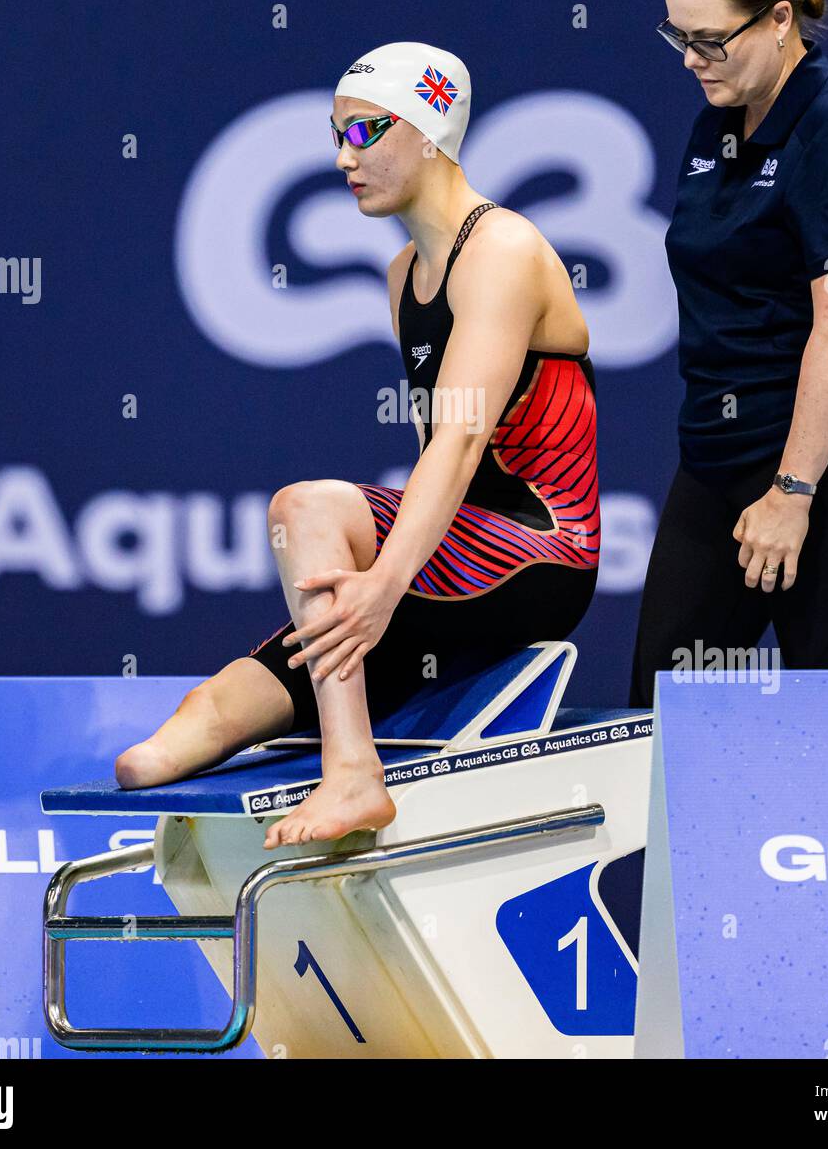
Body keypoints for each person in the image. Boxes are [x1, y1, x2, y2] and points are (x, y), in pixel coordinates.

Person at [117, 41, 600, 847]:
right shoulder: (403, 274)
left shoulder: (503, 249)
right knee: (160, 754)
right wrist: (380, 592)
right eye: (335, 136)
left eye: (366, 132)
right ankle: (338, 745)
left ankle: (353, 775)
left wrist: (381, 589)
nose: (344, 157)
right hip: (448, 561)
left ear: (429, 130)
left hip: (544, 551)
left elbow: (461, 437)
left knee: (304, 508)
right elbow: (429, 461)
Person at [630, 0, 828, 708]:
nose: (690, 60)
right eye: (677, 35)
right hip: (715, 461)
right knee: (663, 713)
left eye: (710, 39)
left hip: (824, 467)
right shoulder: (715, 118)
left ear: (779, 18)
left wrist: (791, 493)